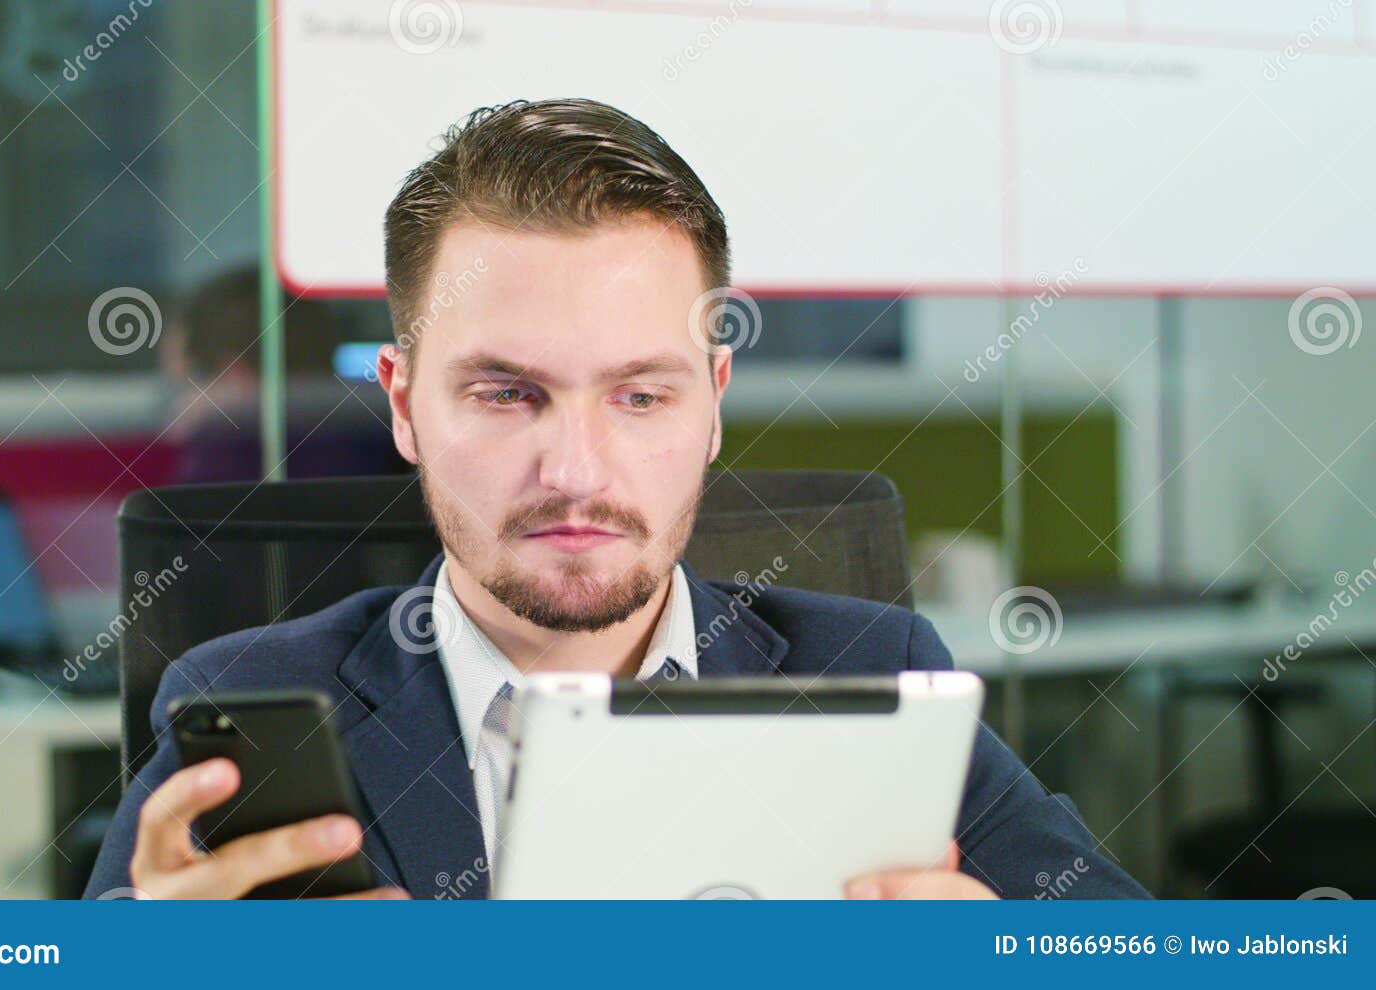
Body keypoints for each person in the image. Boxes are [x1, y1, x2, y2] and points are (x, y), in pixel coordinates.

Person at [86, 98, 1149, 900]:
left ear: (713, 402)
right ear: (404, 407)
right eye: (507, 395)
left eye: (640, 396)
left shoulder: (875, 670)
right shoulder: (248, 699)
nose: (577, 472)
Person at [159, 265, 407, 483]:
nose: (173, 415)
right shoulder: (399, 441)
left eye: (181, 387)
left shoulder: (216, 462)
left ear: (236, 374)